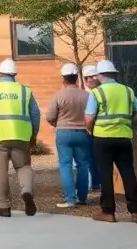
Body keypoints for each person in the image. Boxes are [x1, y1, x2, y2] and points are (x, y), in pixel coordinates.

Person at [84, 59, 137, 224]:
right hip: (123, 137)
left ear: (100, 75)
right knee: (128, 173)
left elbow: (89, 117)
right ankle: (136, 212)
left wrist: (90, 129)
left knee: (105, 174)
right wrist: (129, 122)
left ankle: (108, 212)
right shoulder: (127, 91)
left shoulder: (97, 93)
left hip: (103, 138)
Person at [0, 58, 40, 218]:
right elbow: (35, 114)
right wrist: (34, 134)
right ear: (15, 74)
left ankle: (4, 207)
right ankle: (26, 191)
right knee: (23, 166)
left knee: (1, 171)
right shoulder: (25, 91)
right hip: (21, 134)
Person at [46, 63, 91, 208]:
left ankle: (70, 199)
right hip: (83, 132)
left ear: (63, 79)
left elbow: (50, 116)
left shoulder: (59, 95)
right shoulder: (87, 95)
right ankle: (82, 198)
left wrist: (56, 124)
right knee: (83, 165)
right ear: (77, 78)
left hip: (64, 133)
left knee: (65, 165)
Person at [81, 64, 102, 194]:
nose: (91, 80)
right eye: (89, 78)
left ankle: (96, 183)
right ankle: (95, 183)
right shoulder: (87, 93)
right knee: (92, 158)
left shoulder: (96, 93)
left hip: (96, 129)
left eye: (93, 77)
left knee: (94, 157)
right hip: (93, 130)